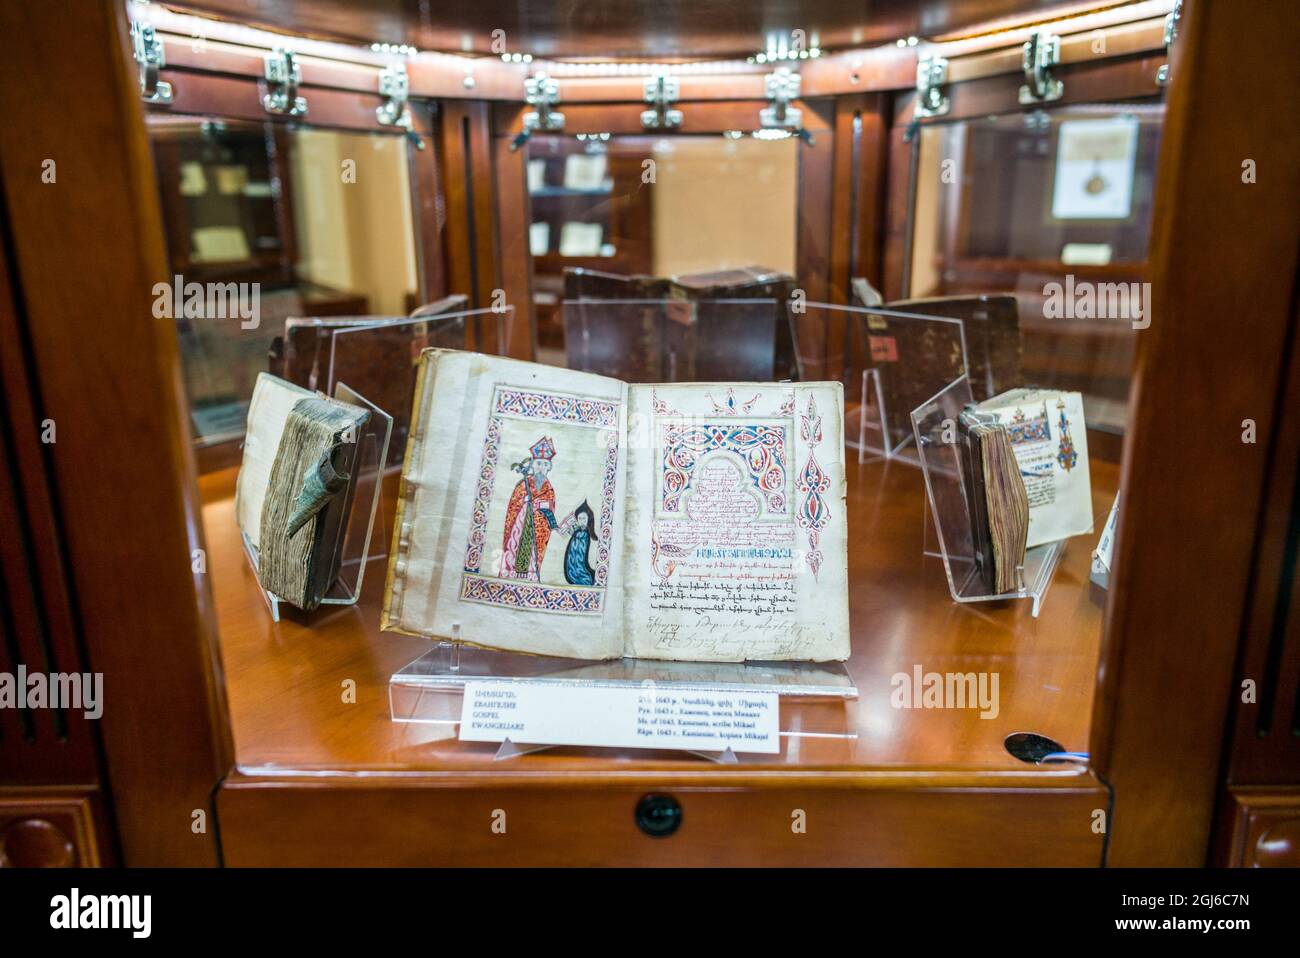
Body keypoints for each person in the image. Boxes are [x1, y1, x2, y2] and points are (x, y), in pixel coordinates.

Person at [498, 437, 558, 580]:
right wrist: (524, 502)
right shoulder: (523, 484)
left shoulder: (548, 488)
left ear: (549, 467)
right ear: (532, 465)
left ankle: (530, 574)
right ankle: (510, 570)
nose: (541, 467)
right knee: (516, 546)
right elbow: (513, 505)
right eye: (538, 463)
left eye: (544, 464)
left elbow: (549, 507)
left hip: (536, 526)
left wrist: (538, 506)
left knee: (531, 551)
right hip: (520, 524)